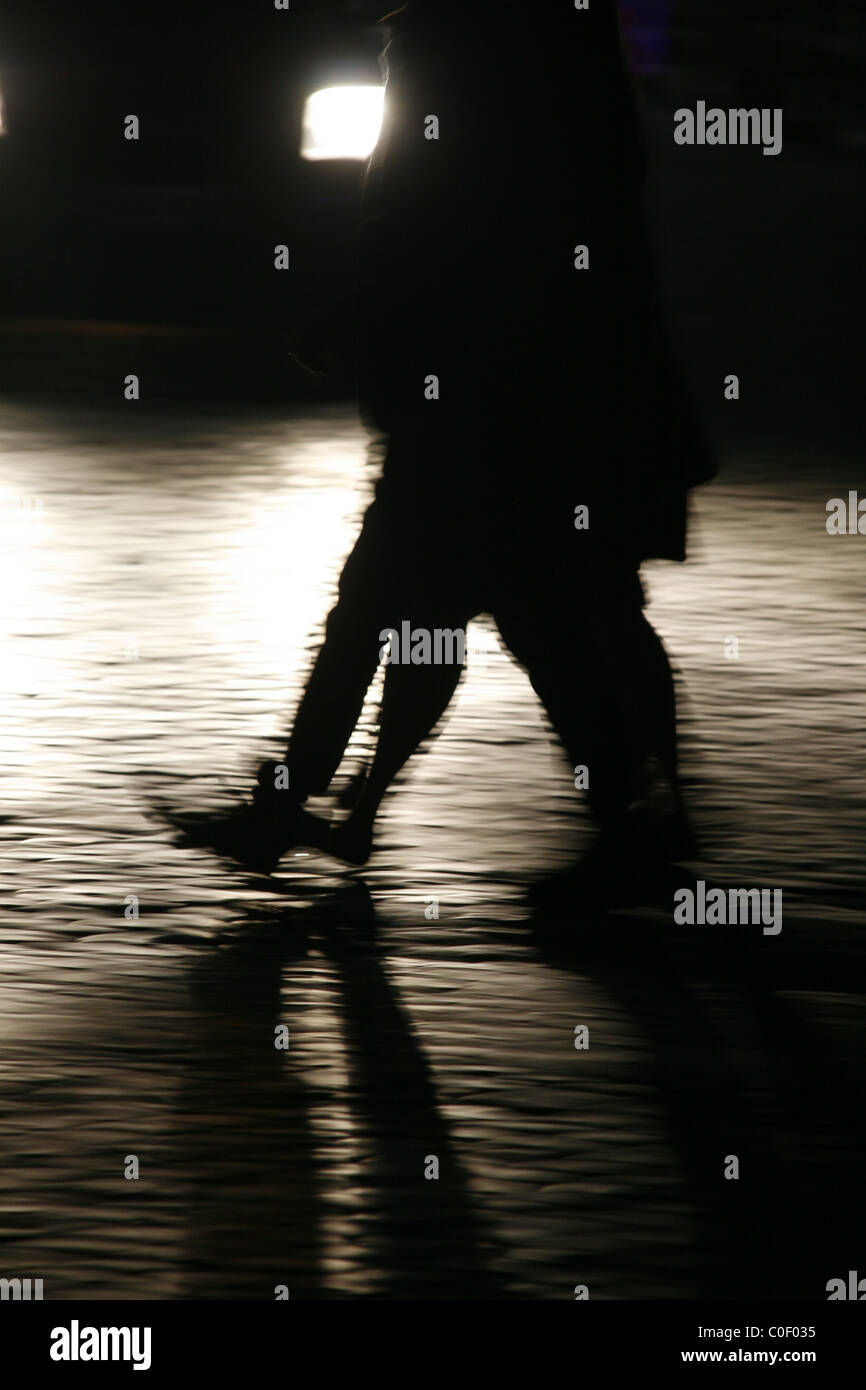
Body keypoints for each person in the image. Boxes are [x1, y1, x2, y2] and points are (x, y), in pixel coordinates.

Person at [171, 0, 716, 884]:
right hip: (533, 401)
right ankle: (627, 816)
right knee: (530, 617)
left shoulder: (466, 42)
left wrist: (357, 318)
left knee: (405, 609)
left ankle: (304, 802)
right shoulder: (537, 44)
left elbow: (453, 228)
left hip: (477, 403)